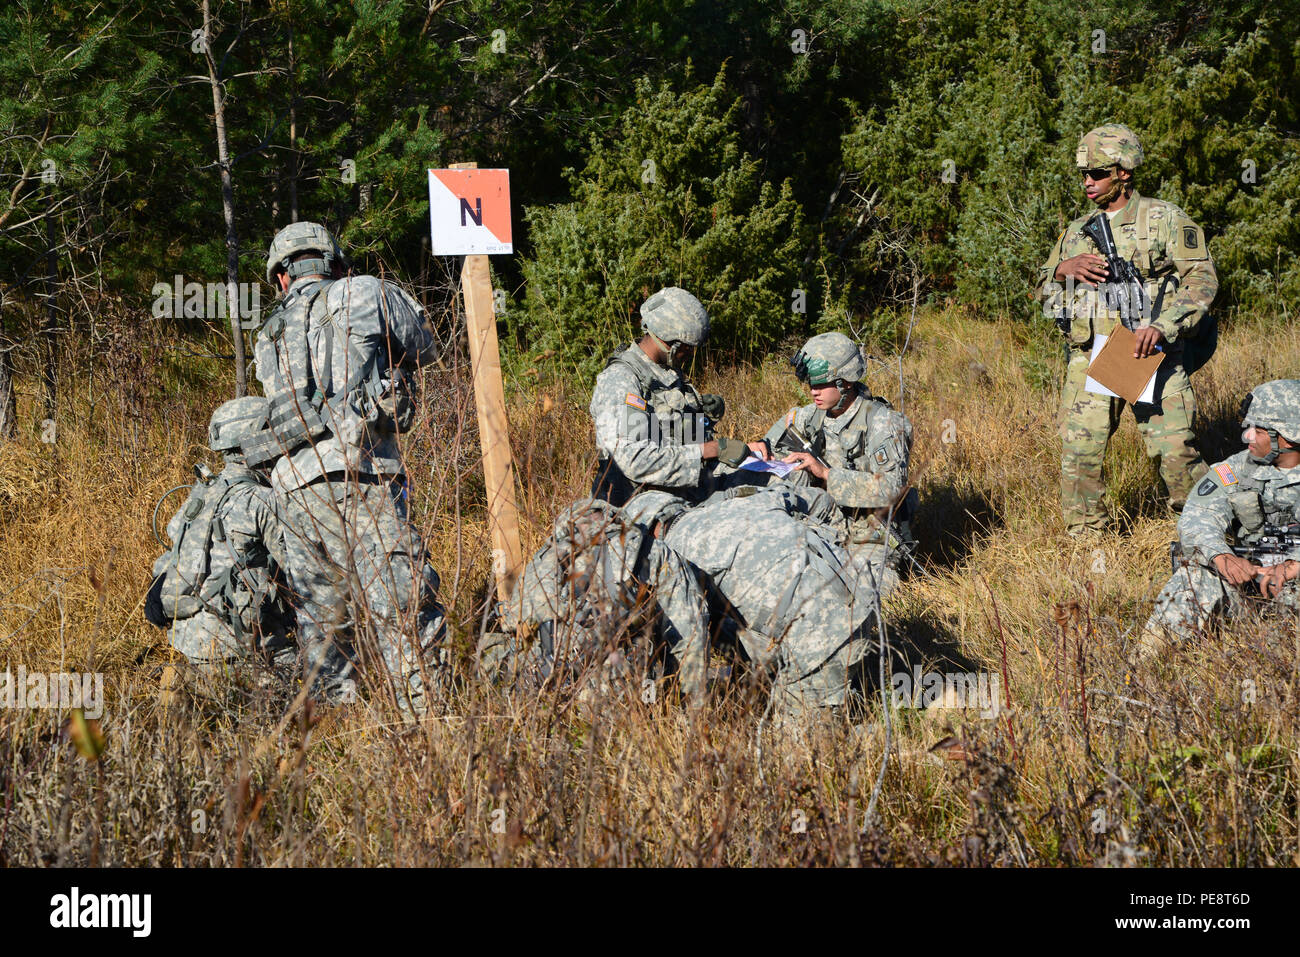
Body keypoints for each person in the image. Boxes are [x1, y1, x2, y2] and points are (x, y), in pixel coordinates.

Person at [248, 221, 446, 715]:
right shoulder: (363, 291)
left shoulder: (266, 334)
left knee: (322, 630)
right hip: (364, 475)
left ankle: (341, 745)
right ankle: (430, 738)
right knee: (402, 610)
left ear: (281, 278)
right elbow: (428, 346)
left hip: (293, 493)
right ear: (337, 262)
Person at [1036, 123, 1218, 537]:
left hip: (1148, 351)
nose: (1088, 182)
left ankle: (1203, 536)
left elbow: (1203, 278)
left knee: (1176, 454)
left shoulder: (1164, 218)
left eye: (1097, 173)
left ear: (1124, 172)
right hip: (1092, 356)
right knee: (1080, 455)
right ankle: (1088, 545)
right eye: (1083, 174)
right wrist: (1063, 270)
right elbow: (1042, 290)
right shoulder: (1076, 231)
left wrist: (1164, 325)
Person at [625, 485, 878, 721]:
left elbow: (690, 638)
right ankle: (848, 695)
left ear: (650, 531)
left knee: (796, 754)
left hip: (818, 641)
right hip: (859, 598)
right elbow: (819, 498)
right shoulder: (741, 502)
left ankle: (876, 736)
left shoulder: (674, 556)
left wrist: (678, 706)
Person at [479, 497, 710, 706]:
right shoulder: (652, 552)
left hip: (538, 695)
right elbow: (691, 635)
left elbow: (514, 627)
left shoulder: (543, 560)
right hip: (616, 698)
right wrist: (688, 707)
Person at [1139, 380, 1300, 659]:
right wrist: (1221, 557)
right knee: (1195, 578)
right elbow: (1198, 518)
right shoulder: (1234, 470)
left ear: (1286, 438)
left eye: (1258, 431)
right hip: (1248, 584)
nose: (1247, 437)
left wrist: (1293, 566)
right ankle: (1143, 669)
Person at [147, 397, 293, 676]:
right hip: (244, 651)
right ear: (255, 439)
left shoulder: (201, 493)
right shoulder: (261, 499)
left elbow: (172, 552)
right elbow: (304, 573)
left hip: (189, 645)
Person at [764, 332, 916, 596]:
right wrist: (760, 450)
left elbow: (892, 488)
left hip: (870, 532)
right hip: (822, 521)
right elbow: (767, 446)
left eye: (821, 385)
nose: (813, 391)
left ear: (845, 383)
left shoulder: (885, 423)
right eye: (810, 384)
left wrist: (825, 473)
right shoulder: (807, 416)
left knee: (868, 593)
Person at [590, 286, 768, 507]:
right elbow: (635, 460)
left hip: (686, 488)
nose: (692, 354)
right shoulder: (622, 381)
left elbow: (668, 429)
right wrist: (714, 449)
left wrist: (699, 411)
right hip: (642, 506)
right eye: (689, 348)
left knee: (774, 483)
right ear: (671, 344)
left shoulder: (664, 372)